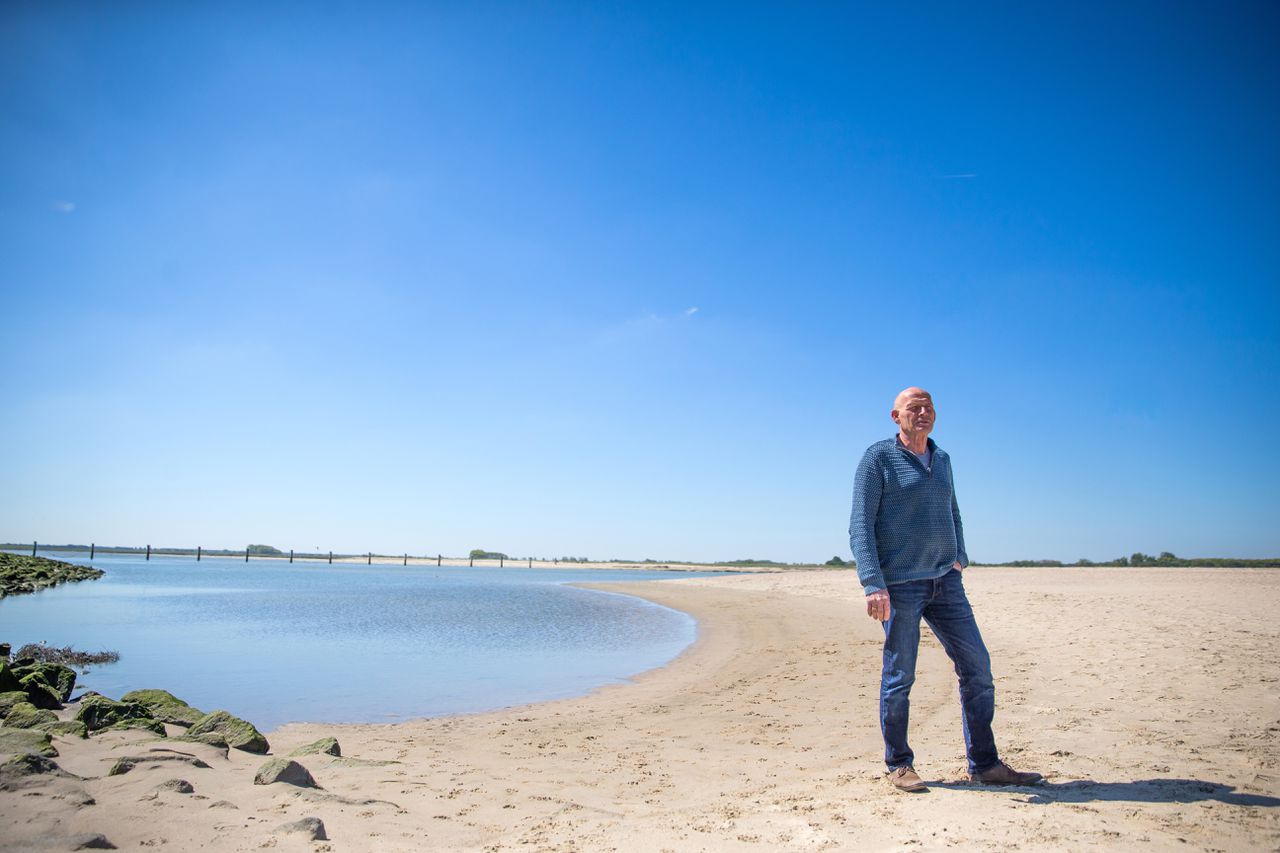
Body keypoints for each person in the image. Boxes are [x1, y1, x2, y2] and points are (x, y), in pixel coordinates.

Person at [849, 387, 1042, 792]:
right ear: (895, 415)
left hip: (946, 582)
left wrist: (960, 556)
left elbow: (953, 511)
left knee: (978, 669)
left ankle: (985, 764)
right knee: (900, 676)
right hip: (900, 585)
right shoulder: (878, 458)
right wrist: (872, 583)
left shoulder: (943, 459)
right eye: (914, 408)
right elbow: (860, 526)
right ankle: (899, 764)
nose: (923, 413)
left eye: (928, 408)